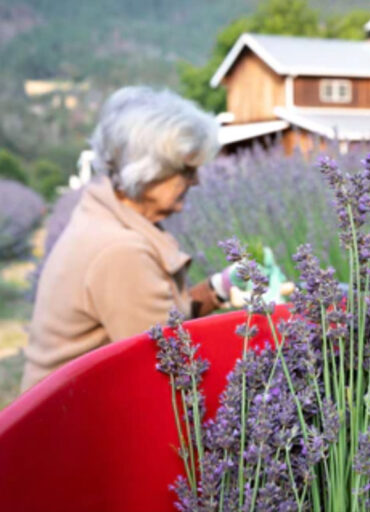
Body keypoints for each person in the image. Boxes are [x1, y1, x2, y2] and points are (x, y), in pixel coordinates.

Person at [21, 86, 244, 391]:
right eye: (186, 170)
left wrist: (219, 287)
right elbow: (172, 371)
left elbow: (165, 322)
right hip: (74, 416)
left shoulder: (106, 215)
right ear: (146, 171)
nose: (196, 180)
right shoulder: (120, 251)